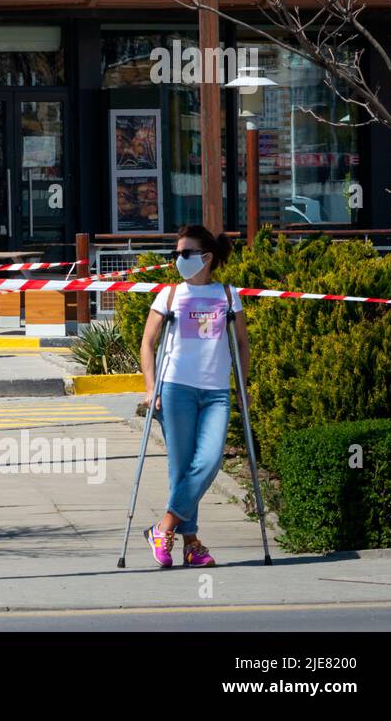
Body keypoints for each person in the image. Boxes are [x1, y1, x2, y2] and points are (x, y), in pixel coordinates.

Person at [138, 223, 249, 569]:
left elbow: (242, 343)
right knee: (182, 468)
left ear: (206, 257)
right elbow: (147, 343)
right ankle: (191, 545)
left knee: (211, 459)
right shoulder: (170, 296)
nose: (179, 259)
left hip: (216, 391)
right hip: (176, 389)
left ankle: (164, 527)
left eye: (185, 253)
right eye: (176, 253)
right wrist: (150, 387)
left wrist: (242, 385)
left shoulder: (228, 295)